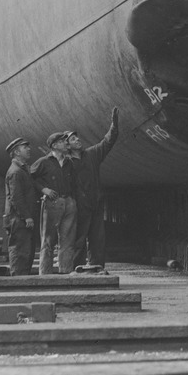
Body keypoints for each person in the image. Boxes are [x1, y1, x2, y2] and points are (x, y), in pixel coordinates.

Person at [67, 107, 119, 272]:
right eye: (73, 139)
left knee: (98, 239)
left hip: (96, 203)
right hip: (79, 206)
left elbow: (107, 142)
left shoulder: (91, 154)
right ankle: (77, 268)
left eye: (77, 138)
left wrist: (114, 126)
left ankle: (97, 267)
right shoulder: (66, 163)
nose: (78, 140)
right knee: (79, 239)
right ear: (67, 146)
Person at [30, 131, 78, 274]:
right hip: (52, 203)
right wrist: (43, 189)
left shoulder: (69, 162)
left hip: (69, 202)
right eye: (63, 141)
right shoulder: (43, 162)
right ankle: (45, 274)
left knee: (68, 241)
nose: (66, 143)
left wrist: (73, 200)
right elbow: (29, 177)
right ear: (55, 145)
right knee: (48, 240)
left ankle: (66, 272)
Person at [3, 136, 38, 276]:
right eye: (25, 148)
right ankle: (17, 282)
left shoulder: (22, 170)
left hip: (21, 218)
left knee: (26, 251)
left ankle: (23, 281)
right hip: (18, 219)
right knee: (20, 251)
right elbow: (16, 198)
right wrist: (27, 216)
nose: (29, 149)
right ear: (17, 152)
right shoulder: (15, 172)